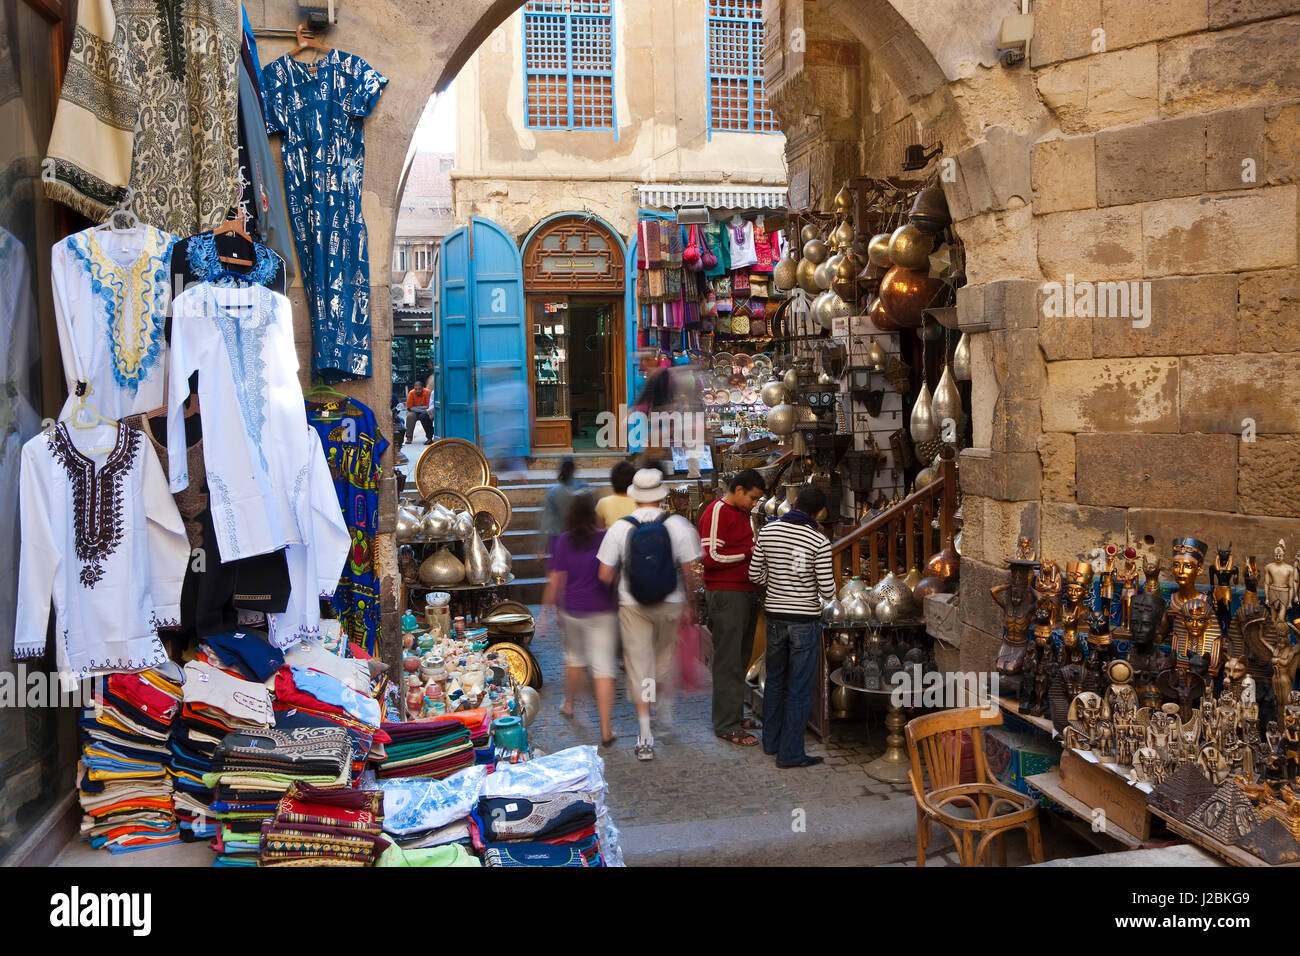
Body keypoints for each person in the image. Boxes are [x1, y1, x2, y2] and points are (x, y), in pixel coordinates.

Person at [597, 468, 702, 762]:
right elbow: (689, 570)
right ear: (661, 494)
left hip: (633, 605)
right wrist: (689, 603)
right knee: (664, 660)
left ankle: (645, 736)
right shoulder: (678, 525)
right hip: (671, 603)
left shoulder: (620, 527)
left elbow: (604, 574)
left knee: (640, 668)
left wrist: (624, 581)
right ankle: (665, 714)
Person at [749, 485, 834, 768]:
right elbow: (828, 591)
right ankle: (791, 753)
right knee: (799, 687)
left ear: (794, 503)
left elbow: (755, 575)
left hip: (775, 616)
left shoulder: (768, 532)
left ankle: (771, 742)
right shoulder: (819, 541)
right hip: (804, 621)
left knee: (774, 681)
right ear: (819, 512)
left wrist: (777, 584)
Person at [542, 492, 618, 747]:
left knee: (574, 659)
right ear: (595, 515)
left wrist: (545, 613)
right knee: (604, 669)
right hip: (602, 610)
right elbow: (609, 574)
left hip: (572, 610)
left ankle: (570, 703)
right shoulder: (605, 539)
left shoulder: (563, 540)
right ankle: (606, 730)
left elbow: (555, 581)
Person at [698, 468, 766, 746]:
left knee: (740, 657)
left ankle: (734, 715)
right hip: (727, 593)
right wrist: (749, 553)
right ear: (738, 490)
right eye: (752, 497)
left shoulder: (740, 513)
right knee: (728, 660)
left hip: (743, 591)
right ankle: (726, 723)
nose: (754, 503)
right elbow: (710, 556)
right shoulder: (718, 511)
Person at [540, 457, 590, 547]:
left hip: (559, 538)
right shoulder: (584, 488)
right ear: (573, 470)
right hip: (581, 538)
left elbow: (546, 519)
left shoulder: (553, 491)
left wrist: (541, 545)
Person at [595, 460, 637, 529]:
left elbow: (600, 532)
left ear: (613, 481)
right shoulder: (641, 503)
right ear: (634, 481)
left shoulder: (603, 503)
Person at [405, 378, 434, 444]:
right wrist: (421, 409)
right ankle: (409, 437)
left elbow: (428, 406)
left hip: (425, 411)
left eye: (419, 389)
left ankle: (429, 437)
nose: (418, 391)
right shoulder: (411, 393)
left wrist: (417, 408)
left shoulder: (427, 392)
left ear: (423, 388)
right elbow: (410, 408)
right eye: (416, 389)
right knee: (410, 416)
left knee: (425, 416)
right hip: (415, 412)